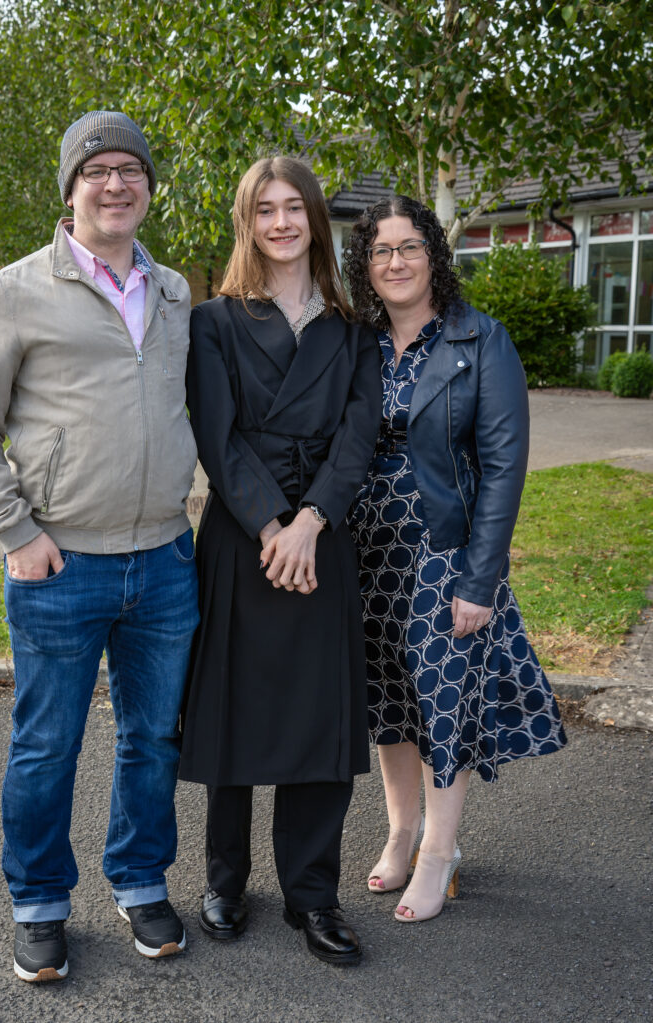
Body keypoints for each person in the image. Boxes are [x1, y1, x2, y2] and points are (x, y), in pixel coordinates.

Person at [0, 111, 200, 981]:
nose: (115, 184)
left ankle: (140, 880)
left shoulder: (174, 293)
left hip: (163, 559)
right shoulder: (12, 292)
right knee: (47, 744)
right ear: (70, 189)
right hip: (57, 564)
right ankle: (39, 902)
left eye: (131, 169)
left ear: (149, 186)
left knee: (152, 739)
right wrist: (16, 532)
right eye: (97, 171)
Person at [180, 156, 382, 965]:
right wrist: (272, 525)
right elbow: (215, 434)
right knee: (233, 709)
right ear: (247, 222)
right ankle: (225, 879)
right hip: (243, 533)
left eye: (294, 207)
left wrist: (311, 522)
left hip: (323, 534)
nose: (281, 222)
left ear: (315, 219)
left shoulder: (353, 327)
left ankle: (313, 893)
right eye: (265, 209)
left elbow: (359, 436)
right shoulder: (215, 320)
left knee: (317, 716)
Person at [343, 196, 567, 923]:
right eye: (381, 251)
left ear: (433, 254)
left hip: (443, 549)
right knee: (389, 698)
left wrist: (481, 577)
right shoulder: (358, 342)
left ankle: (440, 852)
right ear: (365, 265)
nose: (396, 262)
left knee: (443, 698)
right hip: (368, 551)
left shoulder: (480, 339)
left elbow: (504, 468)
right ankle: (401, 831)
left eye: (409, 246)